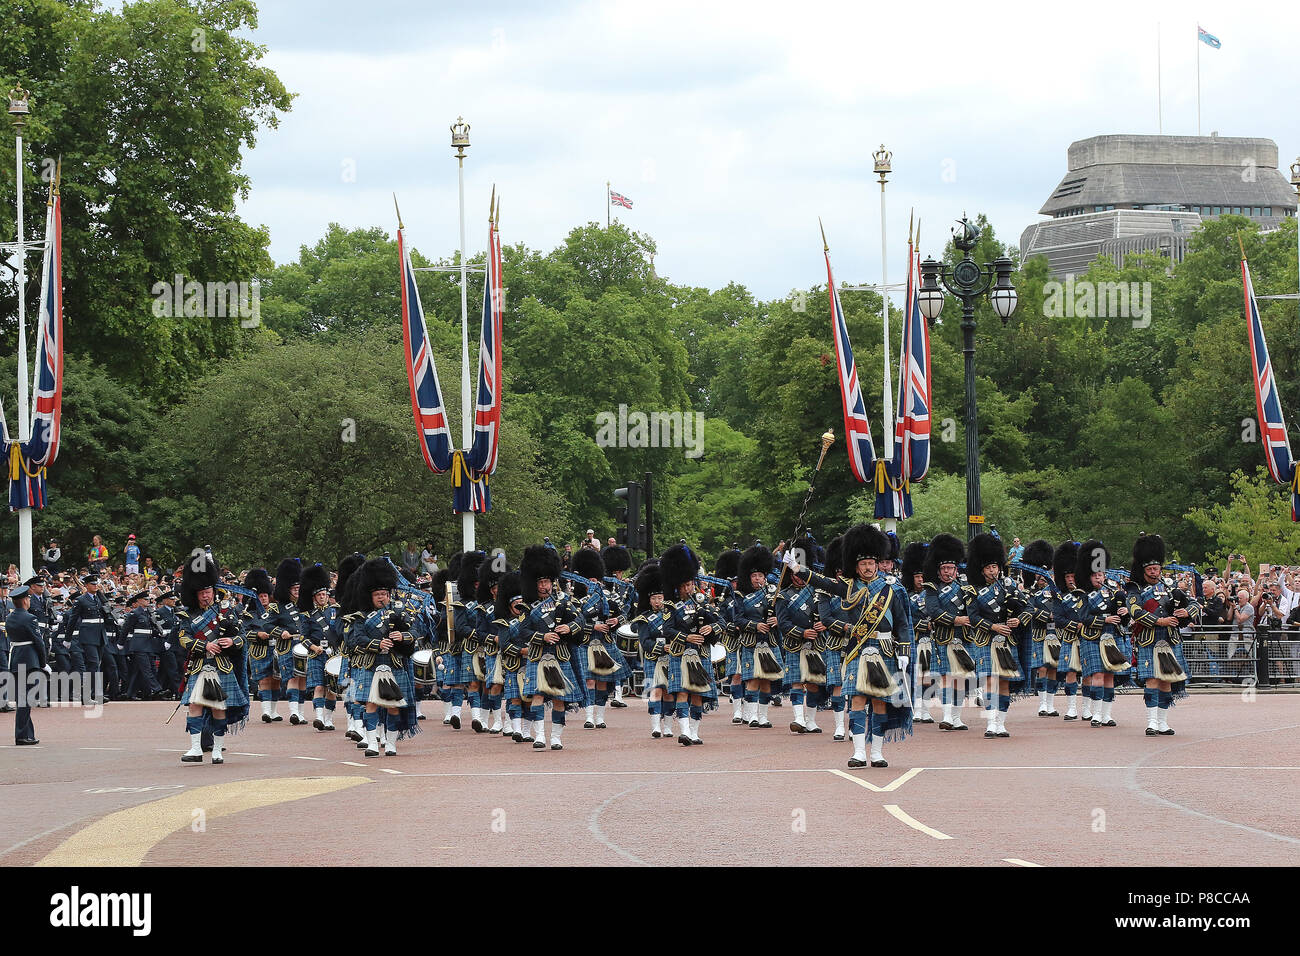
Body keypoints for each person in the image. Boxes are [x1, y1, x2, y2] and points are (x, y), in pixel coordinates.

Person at [178, 553, 248, 764]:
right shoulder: (187, 615)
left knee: (218, 707)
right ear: (194, 594)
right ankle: (195, 748)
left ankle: (217, 750)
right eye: (201, 593)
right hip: (200, 664)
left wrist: (232, 642)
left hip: (221, 666)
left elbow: (242, 636)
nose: (205, 596)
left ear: (213, 591)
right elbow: (183, 639)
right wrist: (205, 645)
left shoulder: (226, 612)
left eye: (208, 591)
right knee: (194, 705)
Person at [345, 557, 420, 756]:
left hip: (394, 663)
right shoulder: (360, 616)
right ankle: (371, 743)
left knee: (392, 706)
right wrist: (378, 644)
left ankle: (391, 744)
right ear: (370, 596)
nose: (381, 598)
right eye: (377, 595)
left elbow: (415, 632)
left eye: (384, 594)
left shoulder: (400, 612)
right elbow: (356, 639)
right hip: (371, 663)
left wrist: (402, 636)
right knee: (371, 704)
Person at [1127, 533, 1198, 735]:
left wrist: (1186, 612)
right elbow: (1135, 611)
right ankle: (1151, 722)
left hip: (1169, 638)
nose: (1153, 572)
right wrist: (1159, 621)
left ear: (1160, 568)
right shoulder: (1136, 588)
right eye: (1149, 569)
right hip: (1149, 638)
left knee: (1166, 680)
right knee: (1151, 679)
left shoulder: (1171, 587)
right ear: (1143, 569)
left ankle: (1163, 722)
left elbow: (1193, 603)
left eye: (1156, 568)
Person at [517, 544, 583, 750]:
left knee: (559, 698)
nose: (544, 586)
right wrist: (543, 636)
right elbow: (523, 632)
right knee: (537, 696)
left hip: (560, 654)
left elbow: (580, 619)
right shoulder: (527, 606)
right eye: (541, 582)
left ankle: (556, 737)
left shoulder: (563, 601)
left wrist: (569, 627)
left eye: (547, 581)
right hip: (538, 654)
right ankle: (539, 736)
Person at [966, 533, 1025, 738]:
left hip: (1007, 639)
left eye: (995, 567)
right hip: (986, 639)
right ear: (981, 570)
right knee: (990, 682)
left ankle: (1001, 723)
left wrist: (1018, 620)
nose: (993, 571)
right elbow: (972, 617)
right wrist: (994, 627)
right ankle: (990, 723)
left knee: (1005, 683)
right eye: (988, 568)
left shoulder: (1009, 586)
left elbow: (1027, 609)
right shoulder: (972, 590)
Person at [923, 534, 975, 732]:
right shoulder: (932, 588)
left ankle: (956, 717)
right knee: (945, 678)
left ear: (956, 568)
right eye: (944, 568)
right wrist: (956, 619)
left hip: (962, 637)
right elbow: (933, 610)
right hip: (944, 637)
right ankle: (945, 716)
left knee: (960, 678)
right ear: (938, 570)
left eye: (951, 568)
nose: (947, 572)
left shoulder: (965, 587)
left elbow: (972, 608)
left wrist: (968, 619)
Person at [733, 544, 782, 728]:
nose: (757, 579)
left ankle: (763, 716)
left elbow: (781, 613)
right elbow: (738, 619)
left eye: (760, 575)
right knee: (753, 679)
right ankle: (752, 716)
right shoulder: (740, 594)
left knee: (766, 679)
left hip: (769, 640)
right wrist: (755, 626)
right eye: (754, 576)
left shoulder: (773, 592)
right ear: (749, 576)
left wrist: (777, 619)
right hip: (751, 641)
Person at [6, 584, 48, 745]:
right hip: (30, 660)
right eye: (28, 598)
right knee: (26, 700)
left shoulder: (10, 618)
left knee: (22, 698)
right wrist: (43, 663)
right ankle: (22, 735)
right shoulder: (30, 618)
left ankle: (26, 733)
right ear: (24, 601)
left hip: (16, 658)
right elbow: (39, 642)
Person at [123, 589, 167, 700]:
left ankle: (130, 694)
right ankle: (157, 690)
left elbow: (151, 628)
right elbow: (126, 629)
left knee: (139, 670)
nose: (148, 601)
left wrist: (159, 633)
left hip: (148, 644)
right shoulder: (135, 613)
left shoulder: (148, 612)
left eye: (148, 599)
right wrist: (120, 643)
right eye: (145, 599)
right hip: (139, 644)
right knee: (147, 669)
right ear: (139, 601)